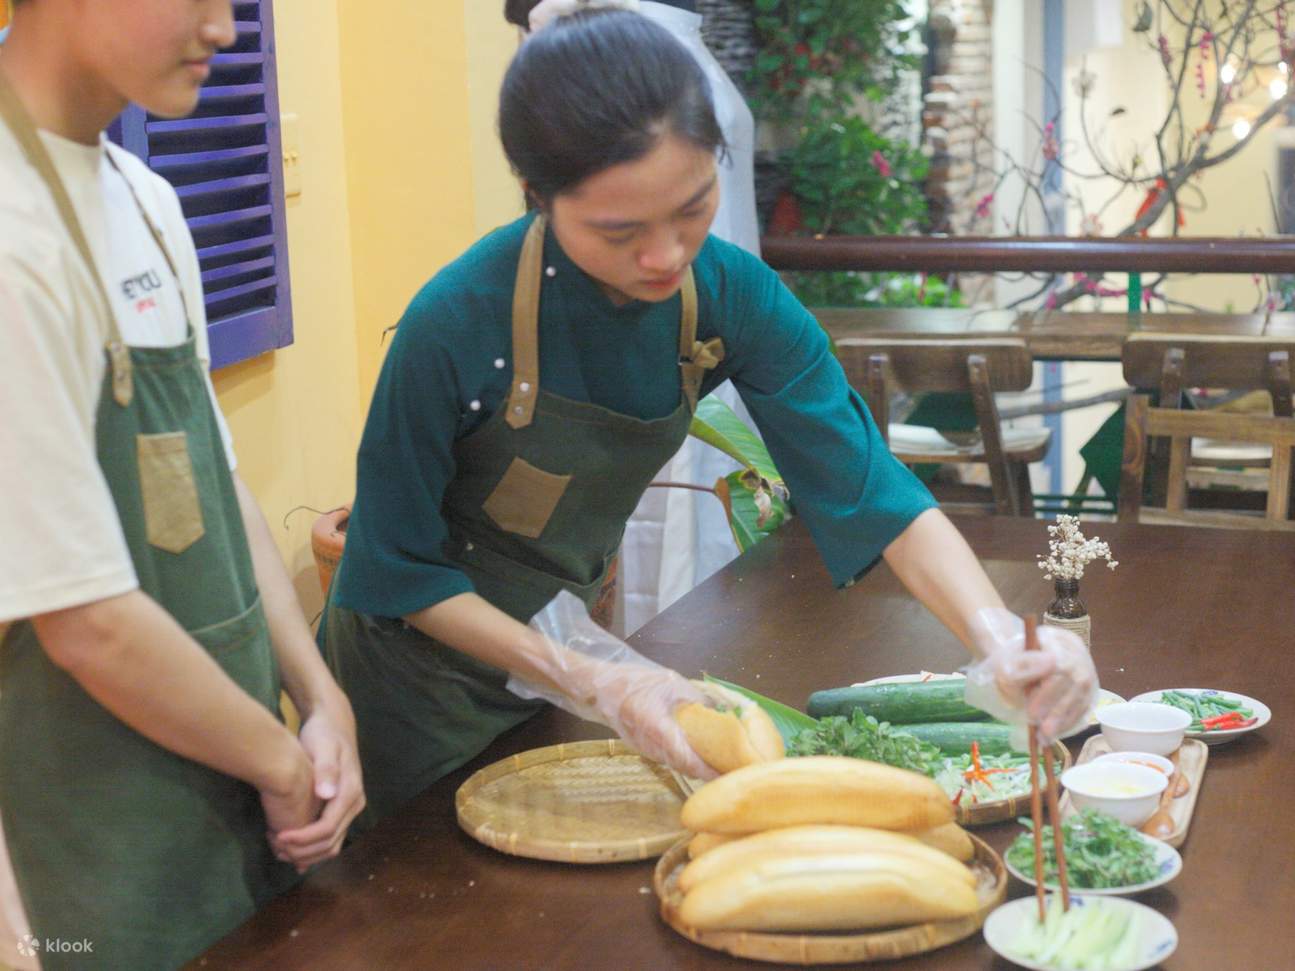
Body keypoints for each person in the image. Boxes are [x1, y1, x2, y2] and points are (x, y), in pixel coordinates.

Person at [321, 9, 1098, 828]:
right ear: (535, 195)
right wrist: (593, 677)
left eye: (692, 208)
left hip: (555, 668)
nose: (664, 255)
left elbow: (874, 490)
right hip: (410, 691)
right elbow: (397, 567)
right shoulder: (455, 322)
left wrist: (996, 639)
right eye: (620, 231)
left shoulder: (732, 297)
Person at [0, 2, 364, 968]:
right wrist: (280, 755)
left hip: (235, 799)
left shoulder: (146, 198)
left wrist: (321, 697)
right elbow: (86, 621)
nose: (227, 30)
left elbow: (214, 486)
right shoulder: (9, 229)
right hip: (95, 843)